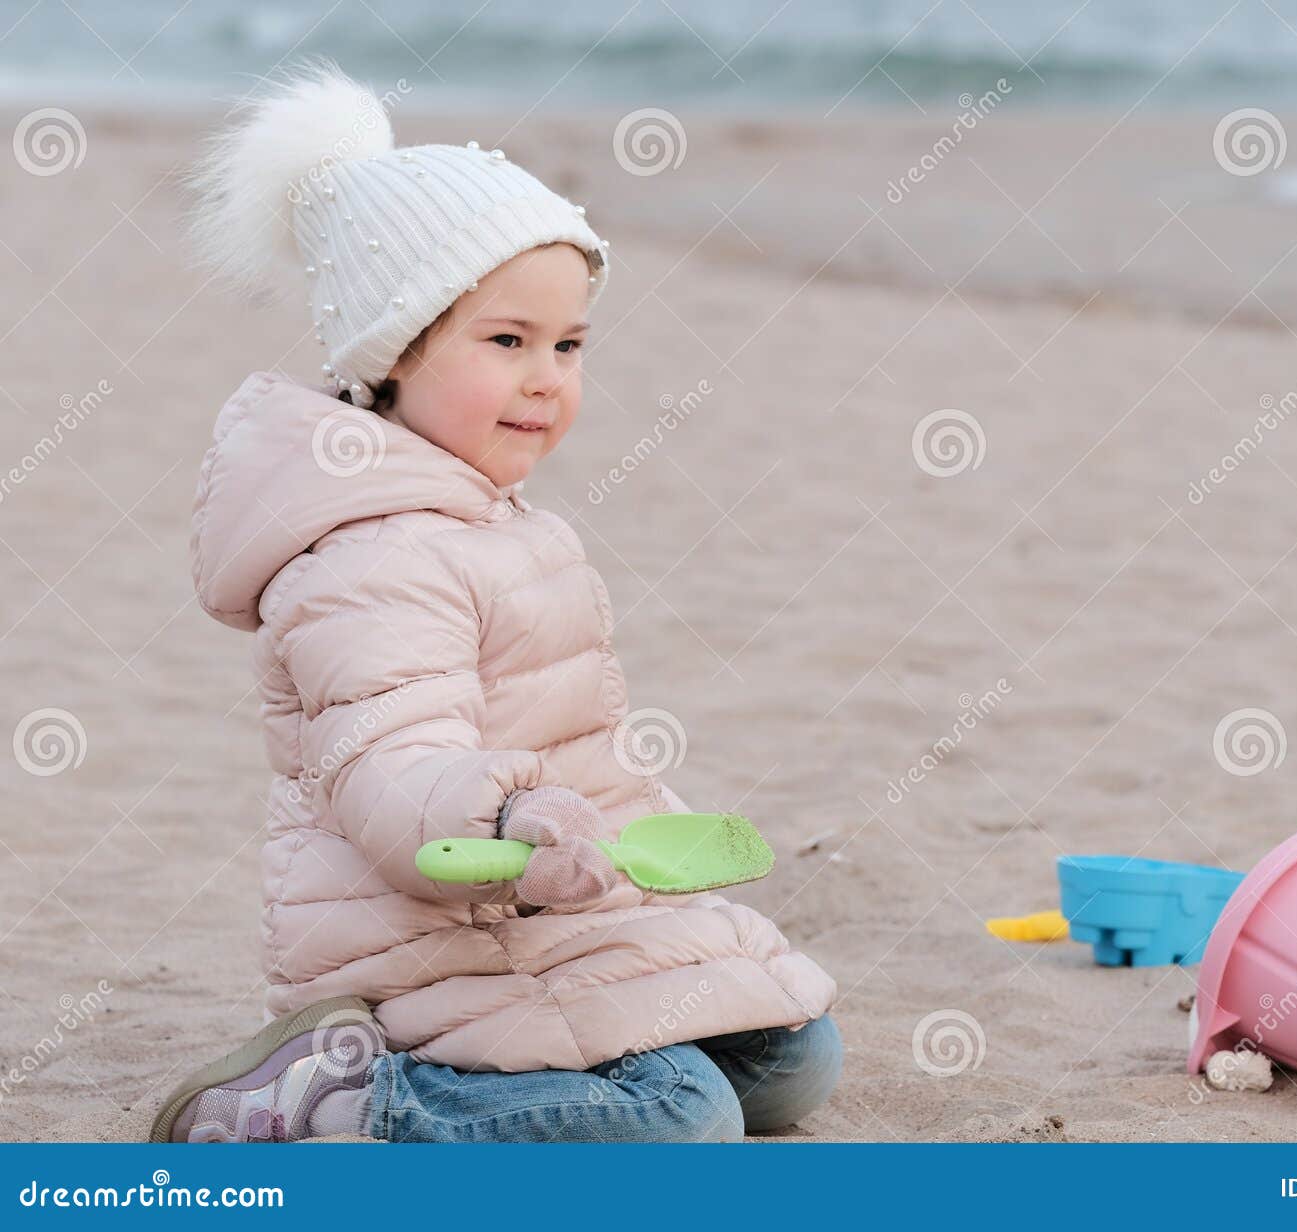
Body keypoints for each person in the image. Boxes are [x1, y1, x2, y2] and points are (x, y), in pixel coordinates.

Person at [150, 58, 839, 1143]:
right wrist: (515, 819)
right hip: (428, 943)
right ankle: (340, 1103)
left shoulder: (491, 519)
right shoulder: (368, 559)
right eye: (506, 341)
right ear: (393, 355)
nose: (546, 378)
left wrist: (629, 831)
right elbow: (389, 774)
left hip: (548, 916)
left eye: (568, 345)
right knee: (679, 1119)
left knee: (789, 1052)